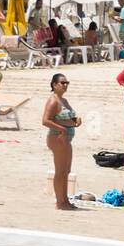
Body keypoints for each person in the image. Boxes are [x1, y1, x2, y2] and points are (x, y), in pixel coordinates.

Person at [42, 73, 80, 210]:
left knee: (66, 171)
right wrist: (62, 129)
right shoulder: (53, 101)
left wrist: (76, 120)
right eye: (62, 83)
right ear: (54, 85)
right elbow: (45, 121)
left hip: (66, 138)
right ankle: (60, 202)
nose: (65, 85)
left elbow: (68, 116)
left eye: (66, 83)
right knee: (60, 171)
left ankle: (65, 200)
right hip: (57, 137)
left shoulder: (64, 100)